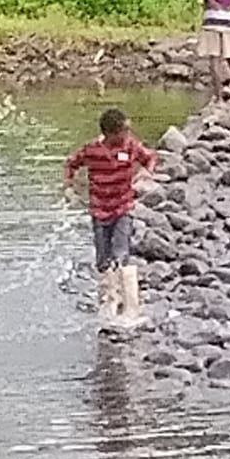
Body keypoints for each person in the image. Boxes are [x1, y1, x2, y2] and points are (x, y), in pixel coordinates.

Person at [65, 105, 157, 329]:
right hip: (99, 211)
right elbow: (71, 163)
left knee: (121, 253)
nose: (127, 135)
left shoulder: (131, 146)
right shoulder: (92, 151)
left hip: (123, 208)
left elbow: (150, 158)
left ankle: (131, 309)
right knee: (103, 259)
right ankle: (108, 304)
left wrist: (146, 173)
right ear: (110, 134)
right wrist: (69, 186)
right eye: (124, 131)